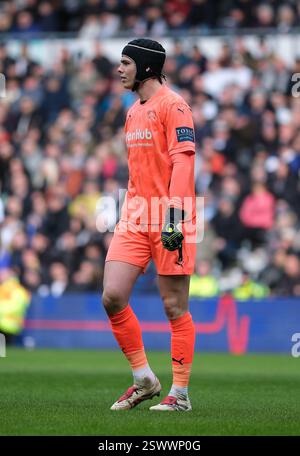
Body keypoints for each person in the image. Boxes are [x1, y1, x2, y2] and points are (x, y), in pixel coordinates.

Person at [102, 38, 196, 411]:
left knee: (174, 306)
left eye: (126, 62)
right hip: (135, 215)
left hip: (171, 217)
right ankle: (144, 379)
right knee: (112, 296)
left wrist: (176, 217)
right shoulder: (132, 111)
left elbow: (184, 164)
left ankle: (181, 395)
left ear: (145, 67)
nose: (120, 69)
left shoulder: (174, 105)